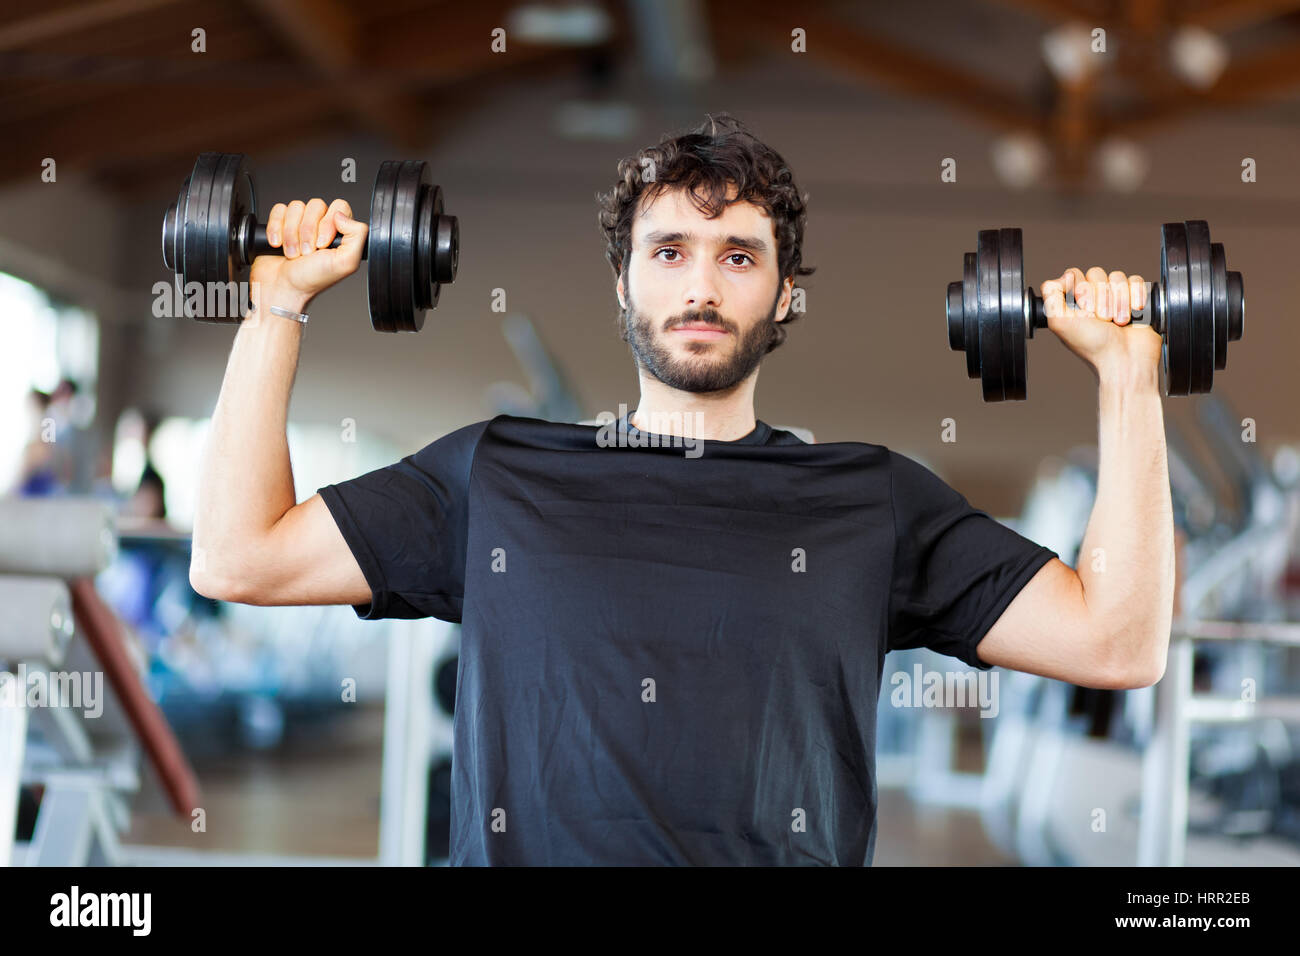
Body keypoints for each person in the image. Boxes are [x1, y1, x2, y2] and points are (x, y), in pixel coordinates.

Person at [189, 113, 1174, 865]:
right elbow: (239, 554)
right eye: (669, 252)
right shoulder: (495, 471)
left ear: (785, 292)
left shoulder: (870, 499)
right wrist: (276, 303)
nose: (701, 286)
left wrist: (1128, 375)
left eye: (738, 255)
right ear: (623, 280)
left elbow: (1117, 641)